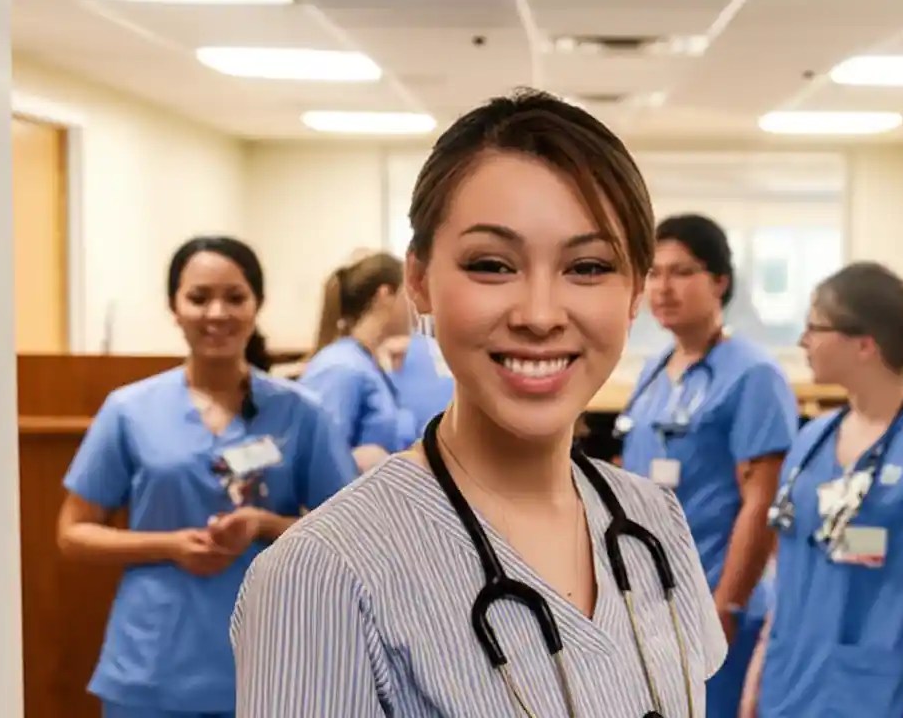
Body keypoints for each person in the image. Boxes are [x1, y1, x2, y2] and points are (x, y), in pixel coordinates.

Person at [231, 88, 728, 717]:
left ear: (634, 293)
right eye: (492, 264)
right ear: (419, 282)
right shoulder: (322, 575)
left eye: (589, 267)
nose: (541, 315)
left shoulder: (654, 523)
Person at [55, 236, 356, 718]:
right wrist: (171, 545)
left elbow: (350, 535)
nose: (217, 312)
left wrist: (263, 524)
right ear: (174, 307)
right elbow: (73, 533)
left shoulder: (301, 413)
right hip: (151, 665)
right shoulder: (130, 411)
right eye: (198, 297)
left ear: (257, 304)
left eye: (235, 297)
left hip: (271, 660)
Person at [740, 262, 903, 718]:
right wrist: (758, 674)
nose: (804, 341)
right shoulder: (810, 441)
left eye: (815, 327)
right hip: (790, 690)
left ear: (864, 345)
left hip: (880, 698)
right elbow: (793, 573)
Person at [618, 213, 798, 717]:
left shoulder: (753, 375)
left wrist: (727, 606)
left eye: (681, 272)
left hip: (714, 606)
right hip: (650, 608)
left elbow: (762, 501)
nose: (663, 287)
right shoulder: (653, 372)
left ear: (720, 281)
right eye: (653, 273)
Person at [299, 252, 416, 472]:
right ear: (385, 295)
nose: (418, 305)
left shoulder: (369, 363)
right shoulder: (341, 367)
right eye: (410, 293)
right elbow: (316, 462)